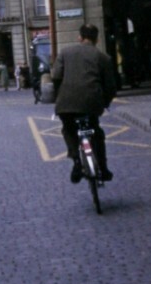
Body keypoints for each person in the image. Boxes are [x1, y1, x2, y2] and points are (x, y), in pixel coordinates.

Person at [51, 23, 118, 184]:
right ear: (97, 39)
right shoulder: (103, 57)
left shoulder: (65, 52)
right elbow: (111, 86)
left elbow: (56, 76)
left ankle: (76, 160)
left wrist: (60, 95)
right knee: (96, 132)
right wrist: (105, 103)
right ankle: (103, 168)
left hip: (66, 103)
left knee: (68, 129)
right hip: (92, 102)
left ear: (80, 37)